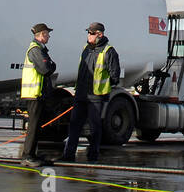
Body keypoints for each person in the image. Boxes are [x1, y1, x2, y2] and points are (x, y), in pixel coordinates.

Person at [61, 22, 119, 163]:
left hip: (96, 96)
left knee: (95, 127)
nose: (89, 35)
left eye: (91, 33)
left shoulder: (109, 51)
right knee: (74, 125)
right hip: (81, 94)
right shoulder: (86, 49)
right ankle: (68, 155)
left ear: (99, 34)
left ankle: (93, 156)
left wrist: (101, 88)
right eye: (88, 33)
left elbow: (114, 76)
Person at [19, 23, 58, 167]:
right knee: (33, 127)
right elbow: (46, 68)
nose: (48, 36)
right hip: (34, 94)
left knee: (37, 126)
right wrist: (51, 65)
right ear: (41, 34)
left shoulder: (40, 49)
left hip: (37, 94)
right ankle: (27, 156)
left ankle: (32, 155)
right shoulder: (35, 50)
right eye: (47, 33)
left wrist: (50, 65)